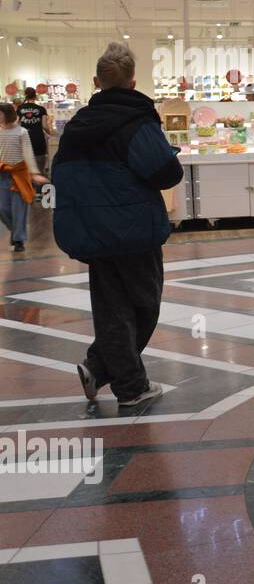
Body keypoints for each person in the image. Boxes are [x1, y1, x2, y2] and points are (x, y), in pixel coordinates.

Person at [52, 43, 184, 408]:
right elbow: (166, 173)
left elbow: (61, 176)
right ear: (133, 82)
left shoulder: (77, 126)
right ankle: (127, 384)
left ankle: (100, 370)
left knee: (112, 308)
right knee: (144, 305)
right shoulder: (137, 121)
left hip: (94, 233)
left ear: (96, 82)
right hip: (134, 230)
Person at [0, 103, 47, 252]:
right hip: (2, 174)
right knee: (2, 208)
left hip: (20, 175)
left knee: (19, 210)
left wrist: (34, 173)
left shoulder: (22, 132)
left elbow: (27, 152)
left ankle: (19, 240)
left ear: (7, 114)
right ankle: (16, 231)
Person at [16, 87, 54, 174]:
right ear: (35, 96)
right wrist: (51, 133)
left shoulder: (20, 108)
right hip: (38, 140)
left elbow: (16, 125)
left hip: (24, 140)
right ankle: (38, 187)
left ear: (25, 95)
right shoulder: (41, 109)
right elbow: (44, 126)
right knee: (39, 171)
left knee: (25, 171)